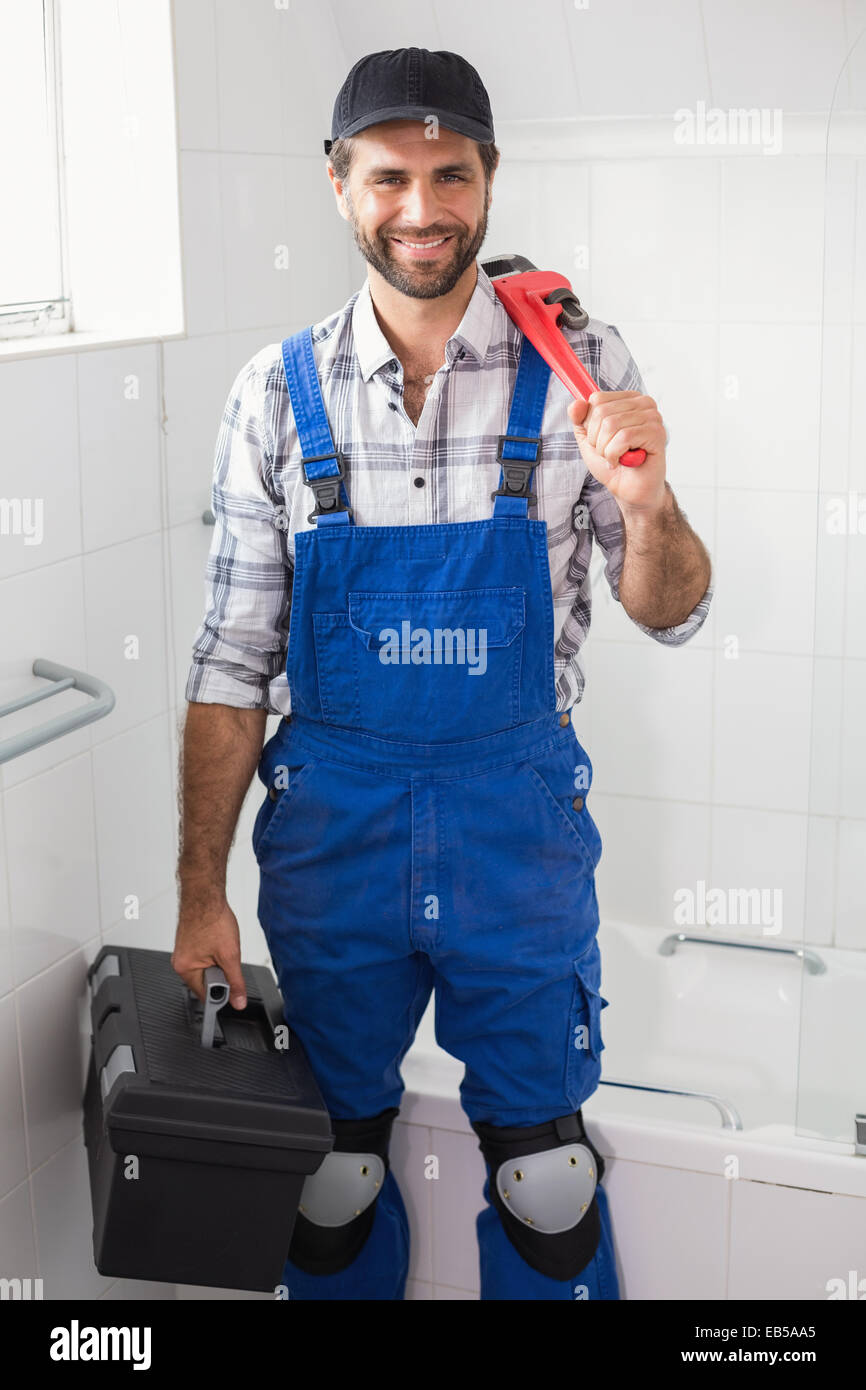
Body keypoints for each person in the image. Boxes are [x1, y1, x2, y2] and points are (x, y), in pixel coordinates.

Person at [172, 47, 713, 1301]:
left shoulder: (581, 367)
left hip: (512, 833)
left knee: (545, 1178)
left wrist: (651, 498)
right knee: (332, 1170)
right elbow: (231, 663)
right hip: (332, 839)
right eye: (388, 177)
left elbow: (673, 613)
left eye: (449, 175)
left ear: (488, 178)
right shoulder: (274, 395)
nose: (423, 209)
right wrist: (201, 888)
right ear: (337, 183)